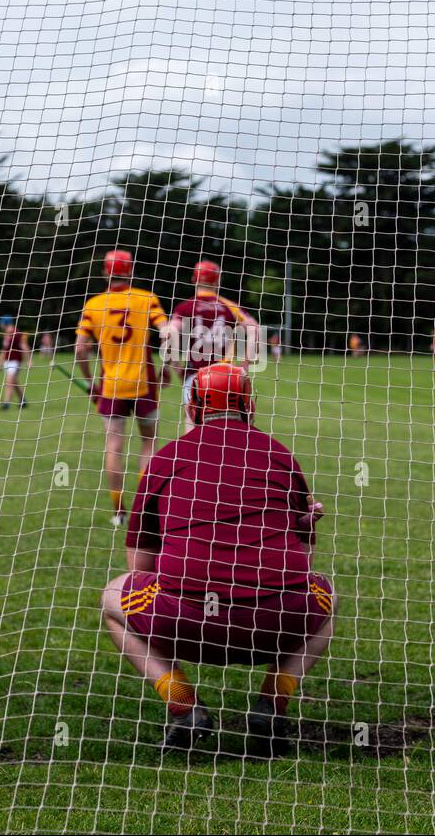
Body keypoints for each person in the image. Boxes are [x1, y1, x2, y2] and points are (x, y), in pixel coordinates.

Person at [101, 363, 333, 752]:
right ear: (250, 407)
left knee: (112, 597)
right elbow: (302, 562)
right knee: (328, 596)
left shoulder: (167, 457)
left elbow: (138, 566)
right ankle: (272, 706)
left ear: (192, 409)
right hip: (274, 623)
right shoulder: (280, 455)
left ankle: (184, 706)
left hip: (185, 623)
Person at [75, 249, 171, 526]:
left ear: (105, 272)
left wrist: (91, 381)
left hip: (111, 385)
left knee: (114, 446)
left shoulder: (93, 304)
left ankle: (119, 511)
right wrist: (166, 368)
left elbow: (81, 348)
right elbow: (168, 333)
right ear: (130, 271)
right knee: (149, 442)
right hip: (143, 383)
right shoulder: (146, 298)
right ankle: (145, 509)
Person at [164, 259, 260, 434]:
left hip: (196, 377)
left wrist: (174, 365)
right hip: (227, 379)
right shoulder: (229, 306)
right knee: (228, 430)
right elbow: (255, 330)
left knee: (193, 424)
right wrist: (244, 366)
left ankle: (194, 461)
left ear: (194, 280)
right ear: (217, 281)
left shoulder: (186, 306)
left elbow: (169, 333)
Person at [0, 316, 30, 410]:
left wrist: (28, 360)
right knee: (14, 382)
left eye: (1, 323)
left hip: (15, 361)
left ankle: (6, 403)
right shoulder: (6, 334)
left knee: (9, 381)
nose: (0, 325)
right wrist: (0, 361)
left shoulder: (16, 333)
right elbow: (4, 349)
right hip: (7, 361)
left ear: (5, 323)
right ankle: (23, 400)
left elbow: (24, 346)